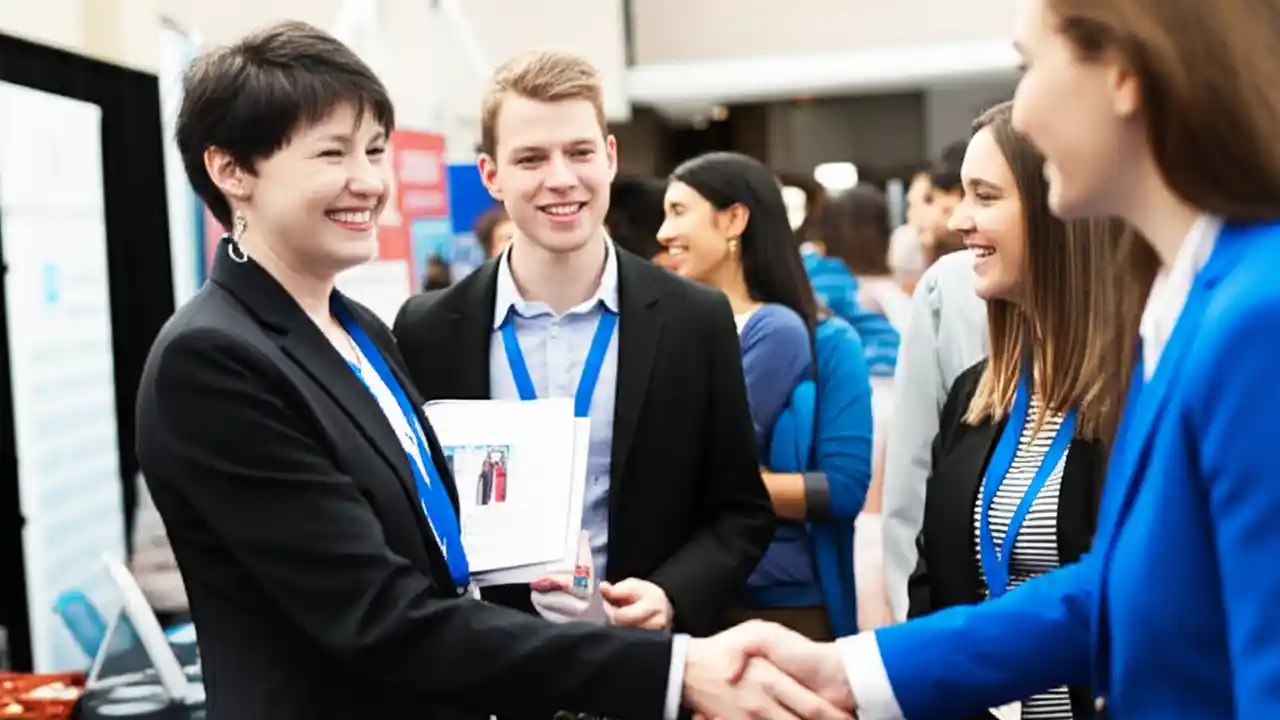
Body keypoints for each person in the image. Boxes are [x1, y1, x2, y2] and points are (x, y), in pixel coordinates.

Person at [137, 21, 843, 720]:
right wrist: (675, 671)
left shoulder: (357, 331)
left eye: (375, 150)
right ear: (230, 169)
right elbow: (382, 616)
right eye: (331, 154)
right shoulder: (216, 359)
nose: (368, 182)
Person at [713, 0, 1280, 716]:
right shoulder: (1187, 304)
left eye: (1029, 65)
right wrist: (853, 671)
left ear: (1125, 77)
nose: (1026, 114)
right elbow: (1113, 590)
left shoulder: (1257, 316)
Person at [393, 51, 776, 647]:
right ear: (491, 175)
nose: (561, 178)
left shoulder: (692, 319)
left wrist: (672, 594)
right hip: (491, 666)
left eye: (579, 152)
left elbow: (740, 512)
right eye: (531, 159)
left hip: (641, 660)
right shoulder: (429, 328)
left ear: (610, 157)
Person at [910, 101, 1135, 719]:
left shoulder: (1137, 396)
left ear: (1057, 210)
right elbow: (934, 583)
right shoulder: (975, 397)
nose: (958, 220)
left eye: (984, 196)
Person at [657, 151, 870, 640]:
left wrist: (704, 486)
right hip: (682, 600)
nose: (663, 234)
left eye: (678, 212)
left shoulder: (819, 341)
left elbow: (841, 489)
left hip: (782, 608)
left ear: (734, 219)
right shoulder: (669, 333)